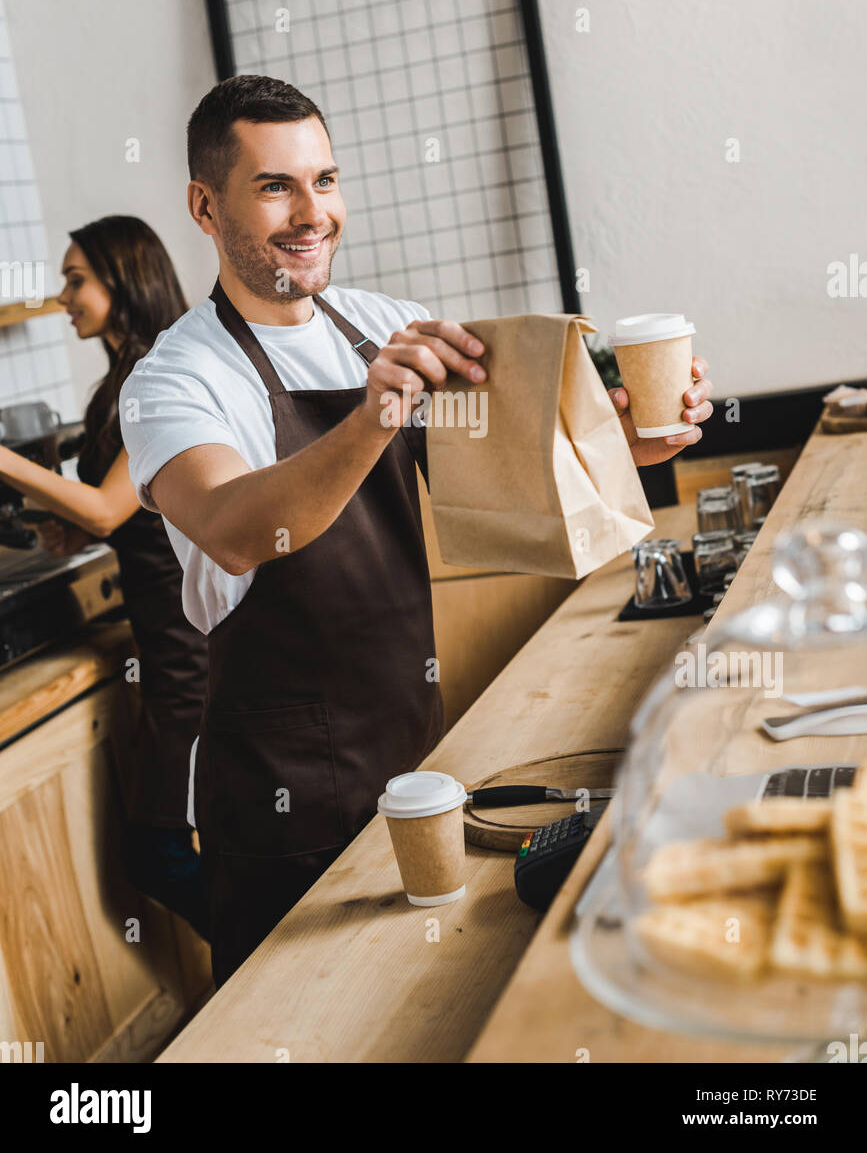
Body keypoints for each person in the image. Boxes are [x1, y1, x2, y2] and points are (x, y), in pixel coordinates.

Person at [119, 75, 714, 986]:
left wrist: (639, 434)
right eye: (275, 185)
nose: (310, 212)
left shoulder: (383, 325)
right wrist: (372, 418)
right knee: (296, 1025)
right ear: (205, 205)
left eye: (324, 179)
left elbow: (515, 466)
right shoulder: (174, 380)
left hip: (416, 753)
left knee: (421, 1003)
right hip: (280, 807)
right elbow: (238, 528)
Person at [0, 217, 210, 938]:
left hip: (191, 651)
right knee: (166, 850)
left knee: (159, 856)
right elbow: (121, 511)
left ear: (124, 281)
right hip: (170, 646)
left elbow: (109, 503)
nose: (63, 296)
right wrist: (79, 525)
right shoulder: (122, 381)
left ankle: (272, 956)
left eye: (75, 279)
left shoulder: (155, 375)